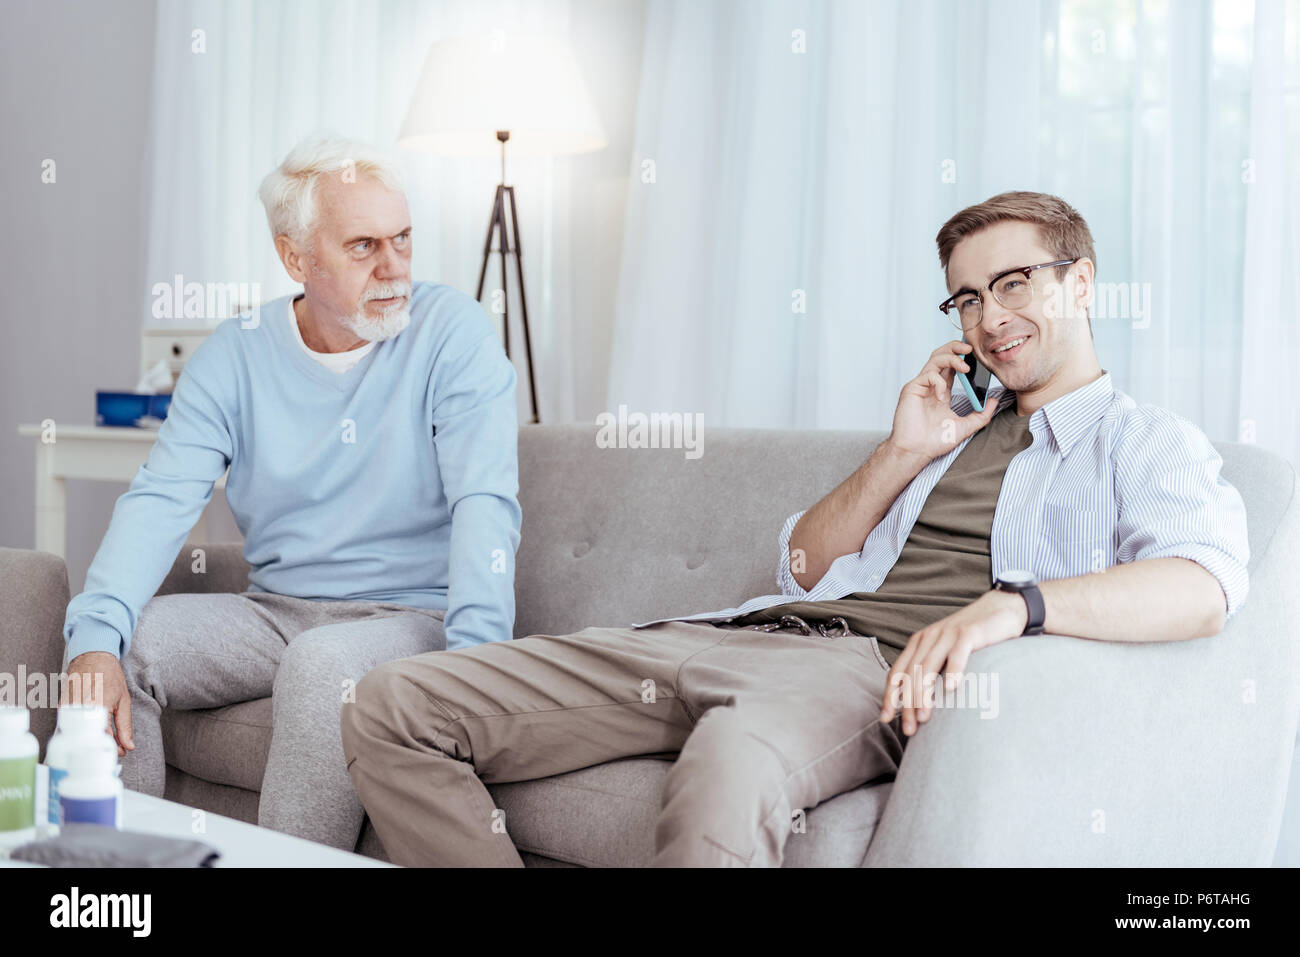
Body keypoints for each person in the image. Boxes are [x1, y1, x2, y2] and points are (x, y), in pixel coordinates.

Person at [340, 190, 1249, 867]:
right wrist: (902, 450)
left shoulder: (1142, 439)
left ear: (1081, 280)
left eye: (1013, 283)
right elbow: (806, 562)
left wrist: (1009, 609)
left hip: (868, 678)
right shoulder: (943, 428)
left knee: (728, 769)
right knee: (394, 701)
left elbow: (1203, 586)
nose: (990, 316)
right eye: (967, 298)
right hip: (744, 631)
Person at [62, 134, 521, 851]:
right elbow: (160, 498)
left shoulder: (452, 334)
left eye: (403, 239)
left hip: (412, 619)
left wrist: (473, 674)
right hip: (277, 612)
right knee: (128, 646)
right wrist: (94, 638)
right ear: (295, 257)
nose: (394, 267)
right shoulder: (234, 354)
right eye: (364, 246)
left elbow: (485, 506)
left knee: (321, 665)